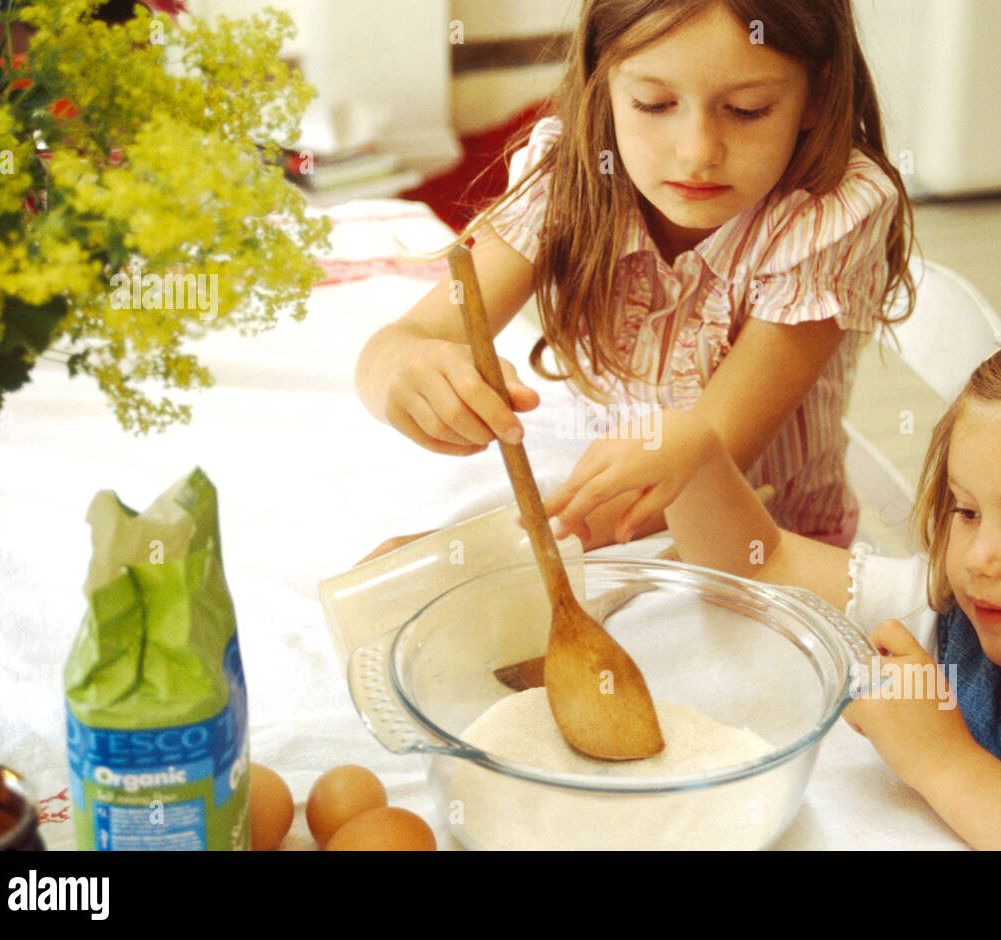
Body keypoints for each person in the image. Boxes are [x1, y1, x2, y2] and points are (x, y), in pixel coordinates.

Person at [545, 304, 1001, 849]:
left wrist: (945, 765)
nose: (976, 556)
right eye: (965, 510)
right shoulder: (962, 613)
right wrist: (697, 459)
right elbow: (767, 567)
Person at [355, 0, 915, 553]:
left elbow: (697, 464)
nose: (697, 153)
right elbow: (402, 342)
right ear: (603, 81)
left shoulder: (832, 214)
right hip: (603, 524)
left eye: (747, 109)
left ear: (816, 95)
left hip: (766, 550)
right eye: (653, 103)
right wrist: (398, 370)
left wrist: (486, 555)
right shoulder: (570, 173)